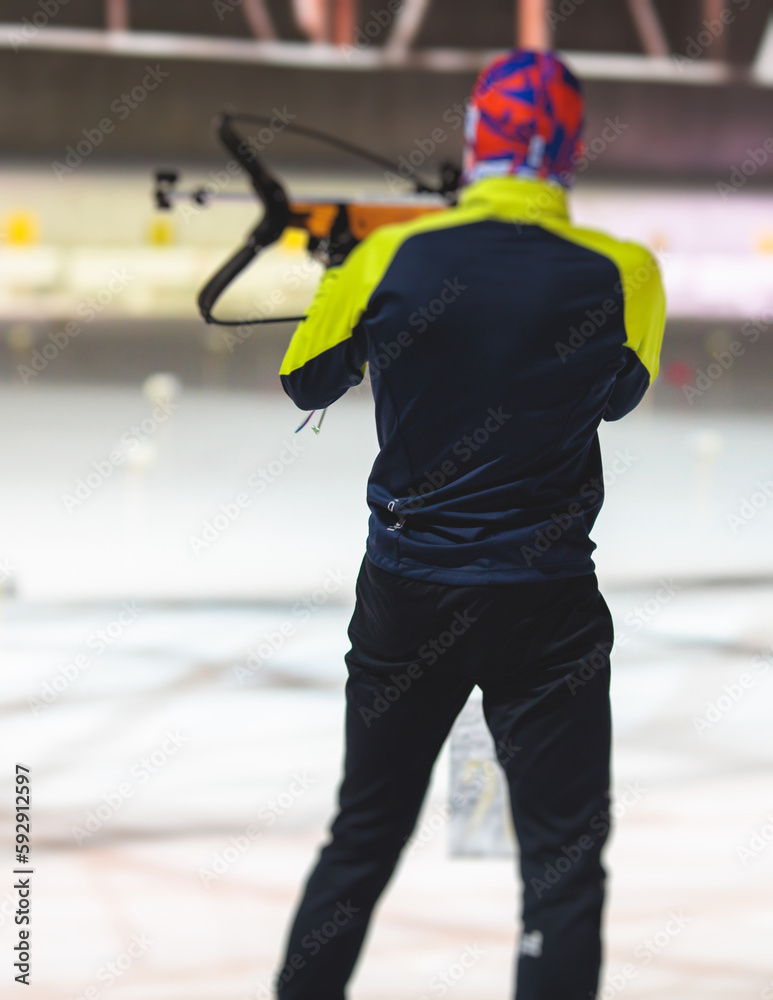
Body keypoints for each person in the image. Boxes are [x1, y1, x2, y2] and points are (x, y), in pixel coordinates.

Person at [274, 49, 666, 1000]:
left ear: (473, 141)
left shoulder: (390, 258)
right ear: (569, 151)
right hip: (547, 606)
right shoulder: (625, 273)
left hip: (408, 597)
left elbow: (307, 377)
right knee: (562, 870)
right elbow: (617, 397)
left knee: (361, 840)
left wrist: (350, 284)